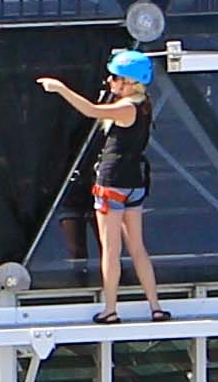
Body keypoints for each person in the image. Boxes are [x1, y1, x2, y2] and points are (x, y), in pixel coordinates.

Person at [37, 47, 170, 321]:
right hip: (134, 181)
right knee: (137, 247)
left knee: (111, 249)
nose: (109, 81)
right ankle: (155, 306)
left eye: (114, 77)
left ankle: (110, 309)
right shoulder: (144, 104)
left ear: (127, 81)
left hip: (112, 182)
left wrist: (60, 88)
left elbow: (91, 110)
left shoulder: (124, 108)